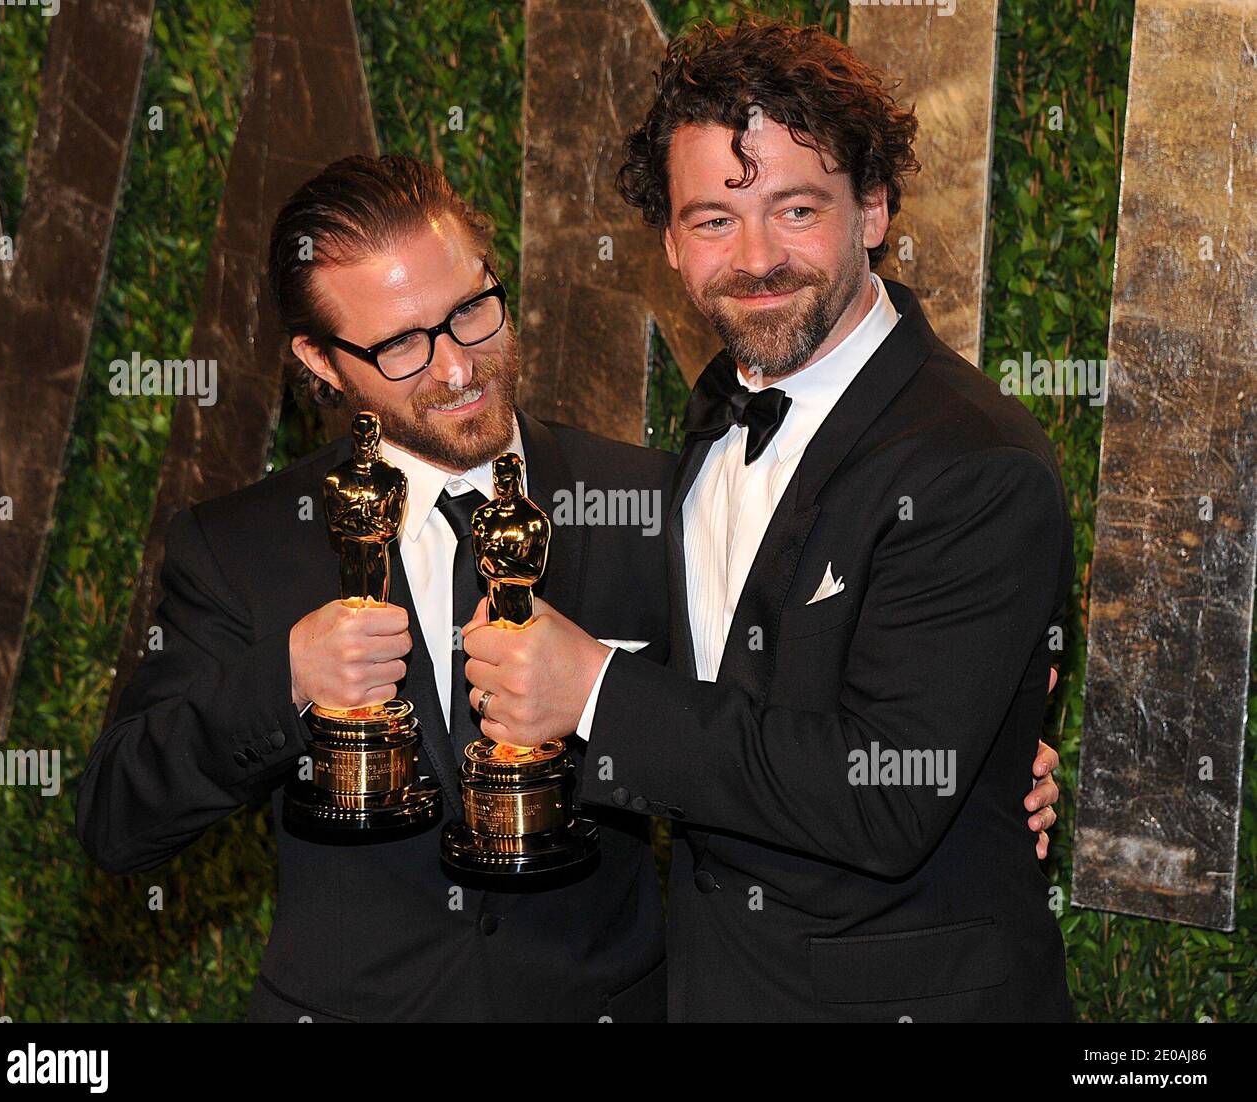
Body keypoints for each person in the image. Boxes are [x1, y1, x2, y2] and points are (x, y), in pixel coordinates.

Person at [462, 20, 1073, 1021]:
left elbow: (884, 800)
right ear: (667, 239)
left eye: (796, 209)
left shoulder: (976, 466)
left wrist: (599, 695)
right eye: (712, 221)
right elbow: (748, 694)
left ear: (872, 209)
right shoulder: (718, 402)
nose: (755, 259)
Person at [75, 155, 674, 1021]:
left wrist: (601, 694)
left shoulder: (650, 502)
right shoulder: (239, 546)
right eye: (399, 344)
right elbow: (117, 817)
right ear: (319, 360)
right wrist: (282, 681)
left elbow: (746, 772)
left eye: (470, 310)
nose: (459, 367)